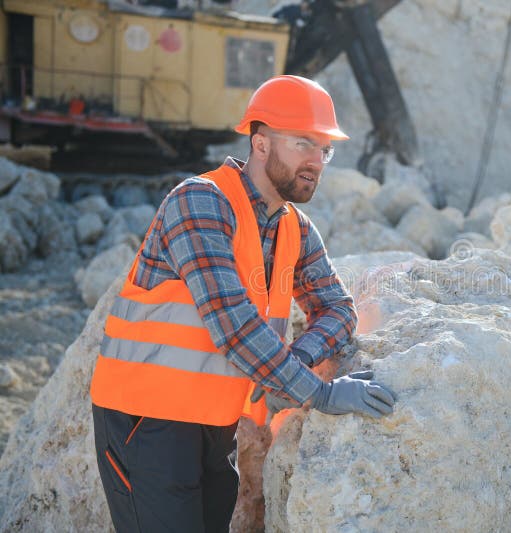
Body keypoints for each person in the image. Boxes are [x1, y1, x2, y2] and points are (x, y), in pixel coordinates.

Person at [89, 75, 395, 532]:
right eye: (303, 143)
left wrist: (295, 360)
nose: (317, 161)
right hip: (147, 421)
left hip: (217, 427)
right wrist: (321, 393)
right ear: (261, 143)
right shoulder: (198, 202)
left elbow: (338, 310)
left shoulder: (295, 228)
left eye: (324, 150)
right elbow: (234, 327)